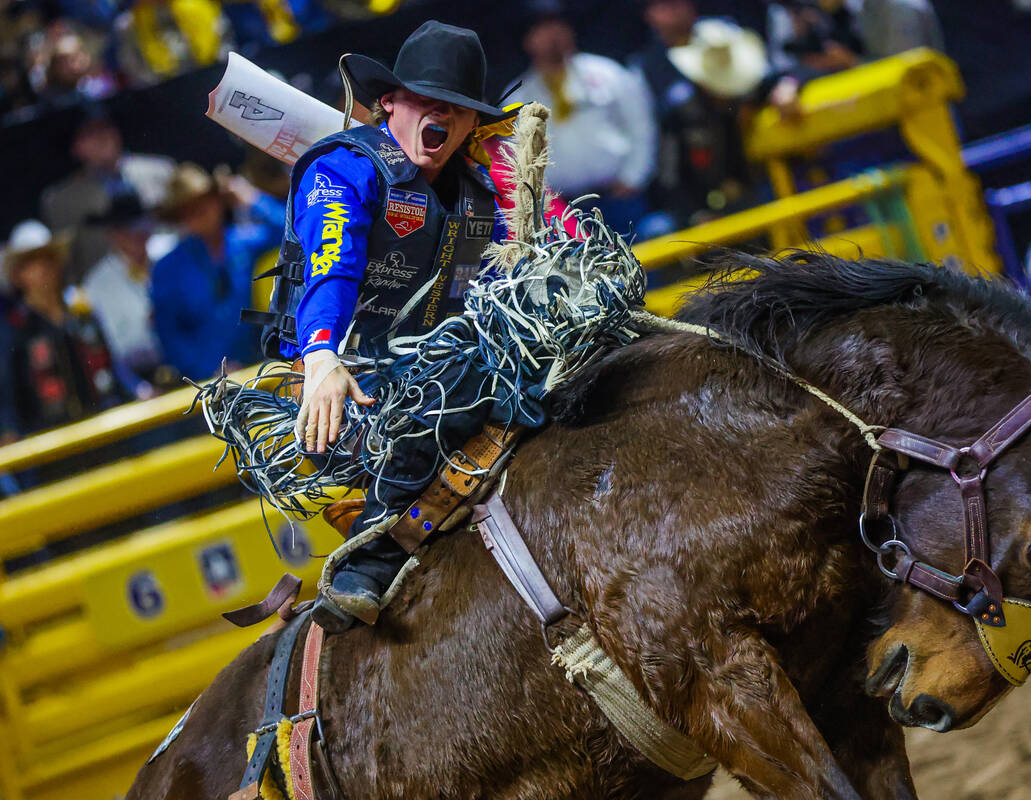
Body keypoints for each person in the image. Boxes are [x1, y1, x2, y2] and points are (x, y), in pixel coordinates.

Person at [252, 20, 521, 632]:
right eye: (428, 104)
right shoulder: (346, 170)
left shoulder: (476, 199)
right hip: (343, 388)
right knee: (456, 379)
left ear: (473, 124)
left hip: (443, 369)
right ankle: (371, 551)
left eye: (457, 110)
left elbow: (495, 281)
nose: (443, 119)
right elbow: (332, 261)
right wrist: (321, 355)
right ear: (389, 104)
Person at [512, 1, 656, 235]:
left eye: (558, 25)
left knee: (644, 258)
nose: (552, 34)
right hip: (563, 209)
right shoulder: (517, 97)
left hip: (619, 197)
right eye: (542, 28)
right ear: (527, 40)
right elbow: (518, 162)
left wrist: (634, 178)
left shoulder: (607, 73)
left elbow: (642, 126)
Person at [630, 3, 766, 232]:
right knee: (657, 230)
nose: (676, 9)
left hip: (751, 184)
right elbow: (667, 167)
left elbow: (768, 78)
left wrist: (783, 86)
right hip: (690, 199)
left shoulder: (720, 35)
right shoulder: (653, 80)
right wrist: (694, 213)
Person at [150, 162, 279, 381]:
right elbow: (169, 336)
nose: (198, 215)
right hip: (204, 385)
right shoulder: (167, 269)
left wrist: (252, 198)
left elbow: (292, 229)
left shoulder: (242, 243)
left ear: (218, 201)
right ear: (180, 218)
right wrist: (211, 370)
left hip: (257, 370)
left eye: (203, 204)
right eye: (187, 211)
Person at [0, 220, 123, 440]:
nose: (43, 268)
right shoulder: (15, 329)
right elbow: (8, 392)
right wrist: (9, 431)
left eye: (48, 258)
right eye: (31, 262)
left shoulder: (82, 313)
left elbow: (113, 367)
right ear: (18, 275)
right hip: (49, 441)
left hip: (104, 428)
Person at [40, 111, 175, 282]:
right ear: (75, 146)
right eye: (90, 133)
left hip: (171, 274)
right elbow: (68, 267)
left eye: (105, 128)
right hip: (108, 291)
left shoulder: (160, 171)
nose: (102, 137)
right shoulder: (60, 201)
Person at [81, 195, 164, 397]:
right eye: (126, 229)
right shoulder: (96, 284)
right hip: (136, 384)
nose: (136, 234)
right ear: (112, 235)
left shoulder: (165, 263)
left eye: (140, 227)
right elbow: (104, 348)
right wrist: (137, 388)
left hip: (185, 372)